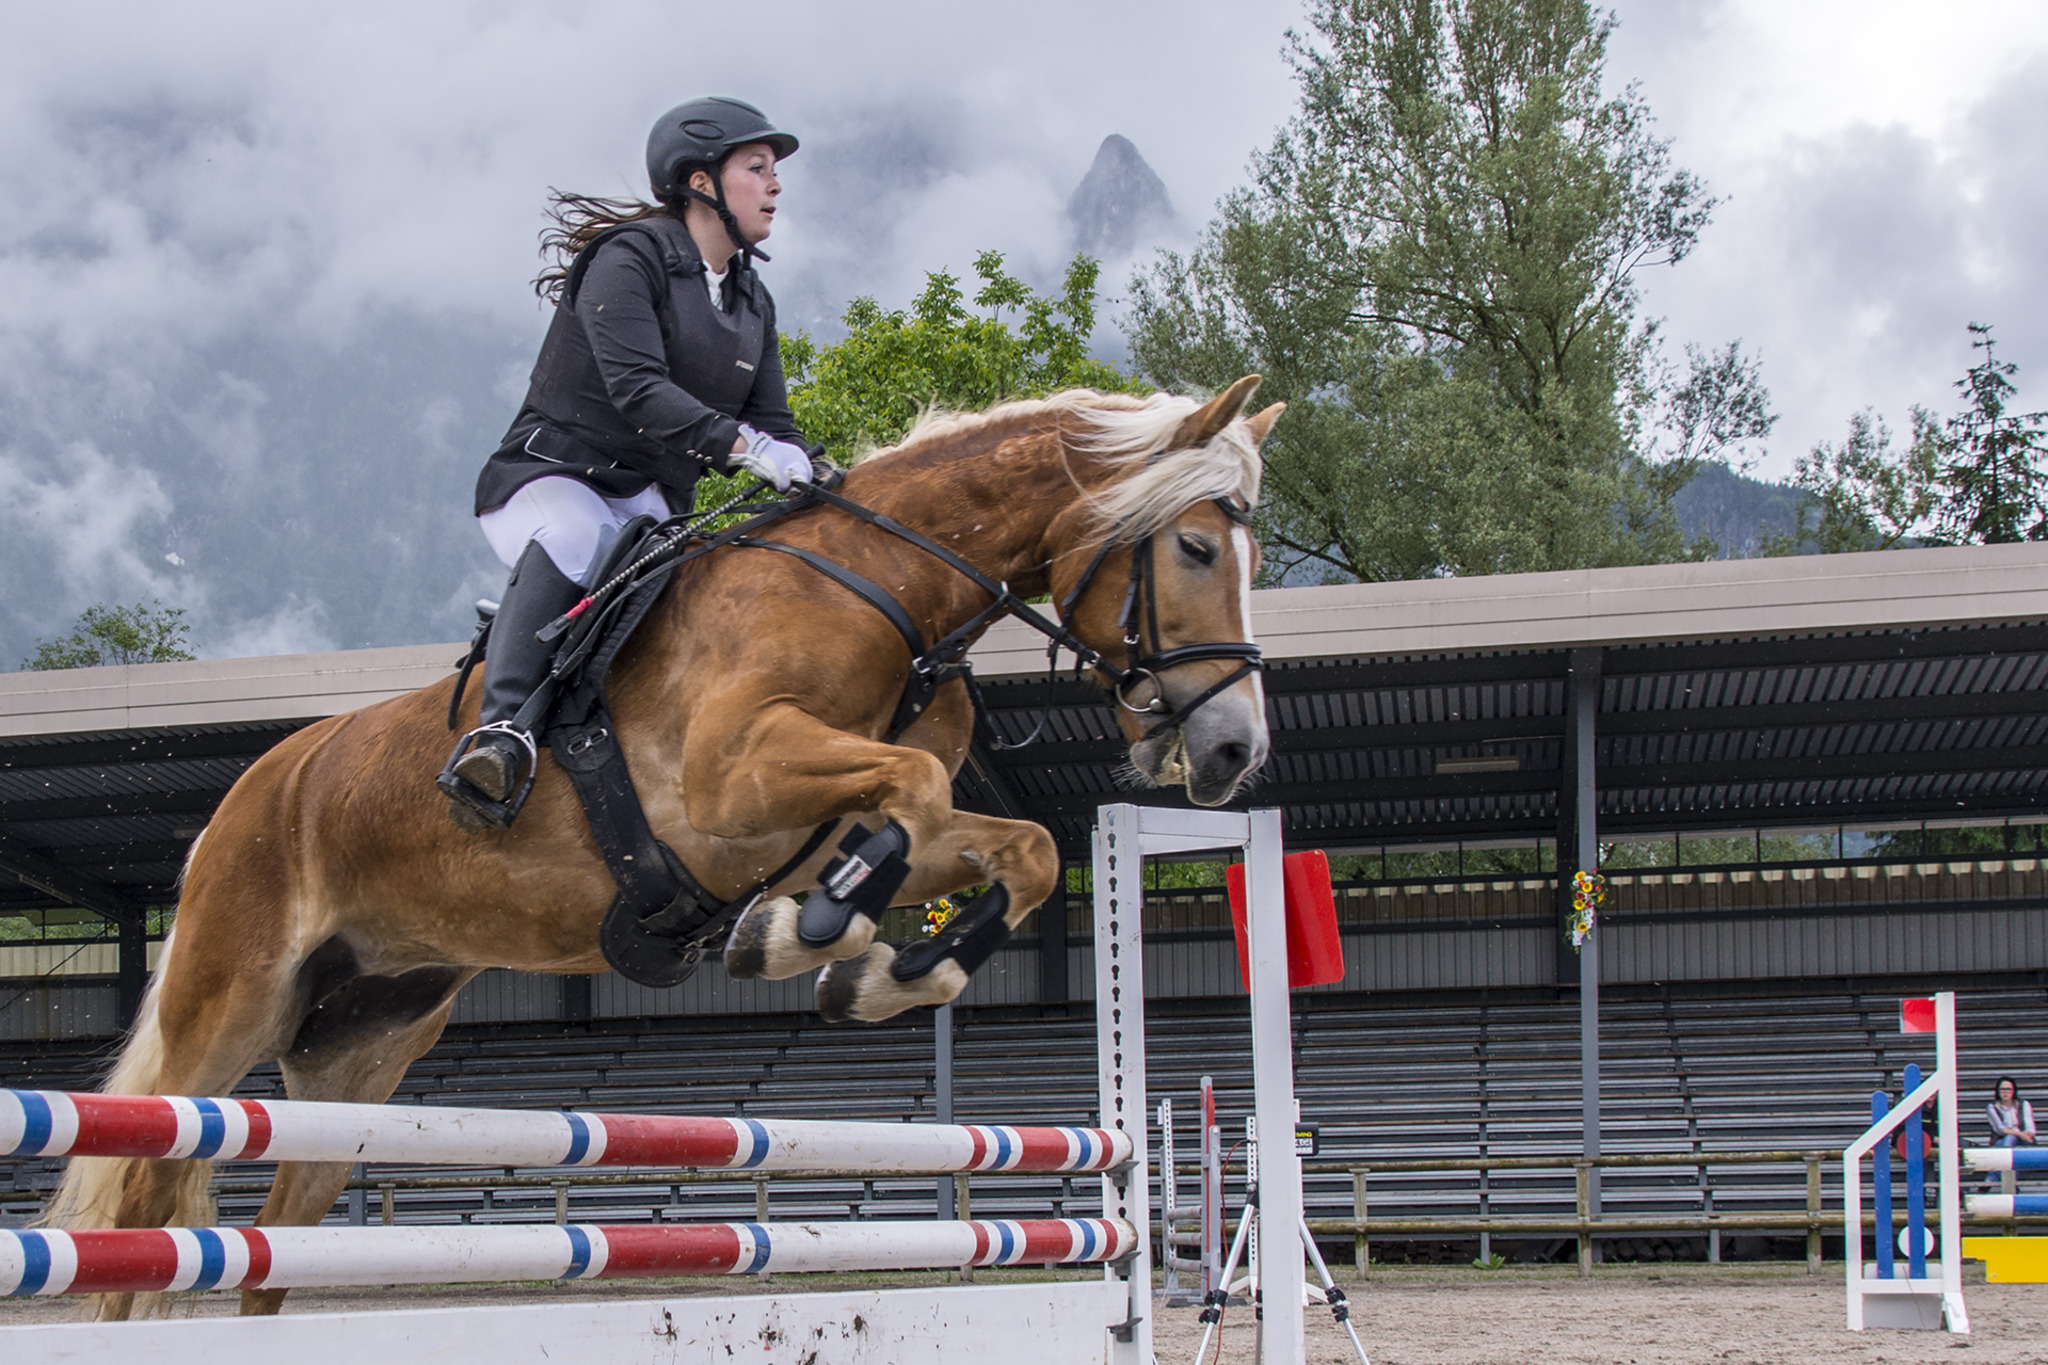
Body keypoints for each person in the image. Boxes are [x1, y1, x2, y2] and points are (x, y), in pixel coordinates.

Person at [440, 96, 822, 830]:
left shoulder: (751, 300)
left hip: (650, 504)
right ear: (702, 181)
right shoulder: (629, 259)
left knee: (702, 600)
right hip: (548, 479)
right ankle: (501, 733)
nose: (775, 185)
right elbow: (640, 392)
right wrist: (751, 452)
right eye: (757, 168)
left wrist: (819, 474)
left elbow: (775, 425)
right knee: (580, 540)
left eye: (774, 172)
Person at [1988, 1077, 2037, 1148]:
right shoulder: (1992, 1107)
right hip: (2001, 1140)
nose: (2005, 1092)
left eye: (2008, 1089)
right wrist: (2019, 1134)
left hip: (2023, 1138)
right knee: (2010, 1138)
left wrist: (2026, 1134)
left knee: (2029, 1143)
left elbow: (2030, 1127)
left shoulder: (2024, 1104)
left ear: (2014, 1091)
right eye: (2002, 1089)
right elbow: (2000, 1129)